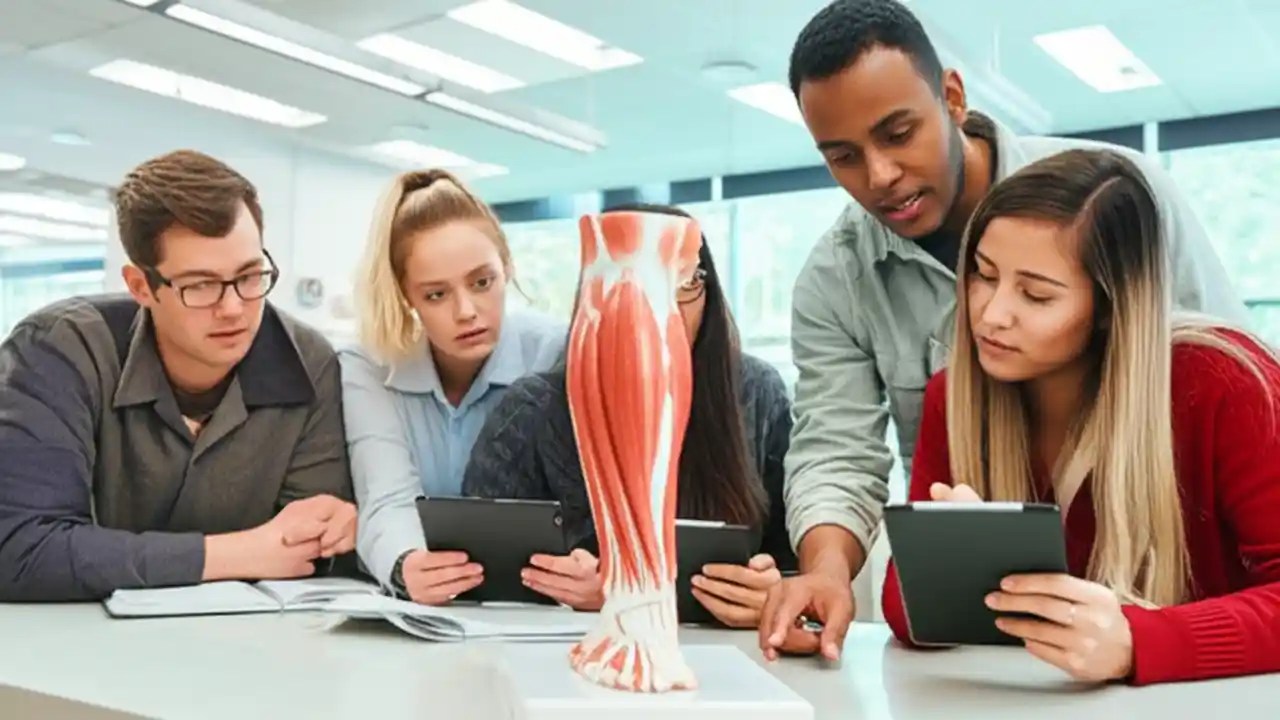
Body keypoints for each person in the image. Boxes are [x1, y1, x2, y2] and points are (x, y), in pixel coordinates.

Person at [761, 0, 1248, 661]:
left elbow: (1224, 383)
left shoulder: (1123, 199)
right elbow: (837, 452)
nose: (878, 176)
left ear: (952, 98)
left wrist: (1148, 638)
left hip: (1180, 610)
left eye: (899, 133)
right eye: (843, 156)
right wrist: (826, 570)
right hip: (1011, 652)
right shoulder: (840, 284)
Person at [880, 148, 1280, 685]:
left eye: (1037, 295)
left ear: (1112, 307)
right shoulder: (954, 396)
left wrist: (1138, 642)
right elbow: (908, 618)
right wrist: (956, 556)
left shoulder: (1228, 382)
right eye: (983, 274)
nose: (991, 315)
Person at [0, 149, 356, 602]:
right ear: (140, 287)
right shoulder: (58, 350)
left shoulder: (309, 362)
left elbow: (304, 551)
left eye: (250, 276)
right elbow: (21, 550)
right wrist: (240, 553)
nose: (233, 308)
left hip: (248, 649)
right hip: (74, 652)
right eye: (200, 285)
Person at [463, 203, 796, 628]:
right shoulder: (533, 411)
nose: (663, 311)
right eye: (637, 286)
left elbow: (797, 568)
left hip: (727, 660)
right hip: (575, 660)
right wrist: (564, 592)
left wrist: (771, 595)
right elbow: (481, 578)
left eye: (684, 283)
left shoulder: (755, 394)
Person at [340, 168, 565, 604]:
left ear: (507, 267)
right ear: (406, 296)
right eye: (436, 295)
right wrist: (407, 565)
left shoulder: (557, 351)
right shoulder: (367, 366)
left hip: (537, 608)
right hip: (426, 608)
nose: (467, 311)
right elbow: (385, 496)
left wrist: (590, 564)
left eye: (483, 283)